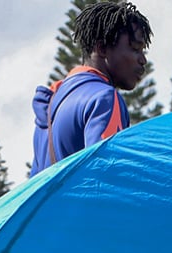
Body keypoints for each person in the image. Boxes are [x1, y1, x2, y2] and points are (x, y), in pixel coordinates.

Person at [30, 1, 152, 177]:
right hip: (83, 205)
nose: (142, 60)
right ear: (102, 48)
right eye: (134, 49)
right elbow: (107, 176)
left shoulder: (51, 104)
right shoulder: (104, 99)